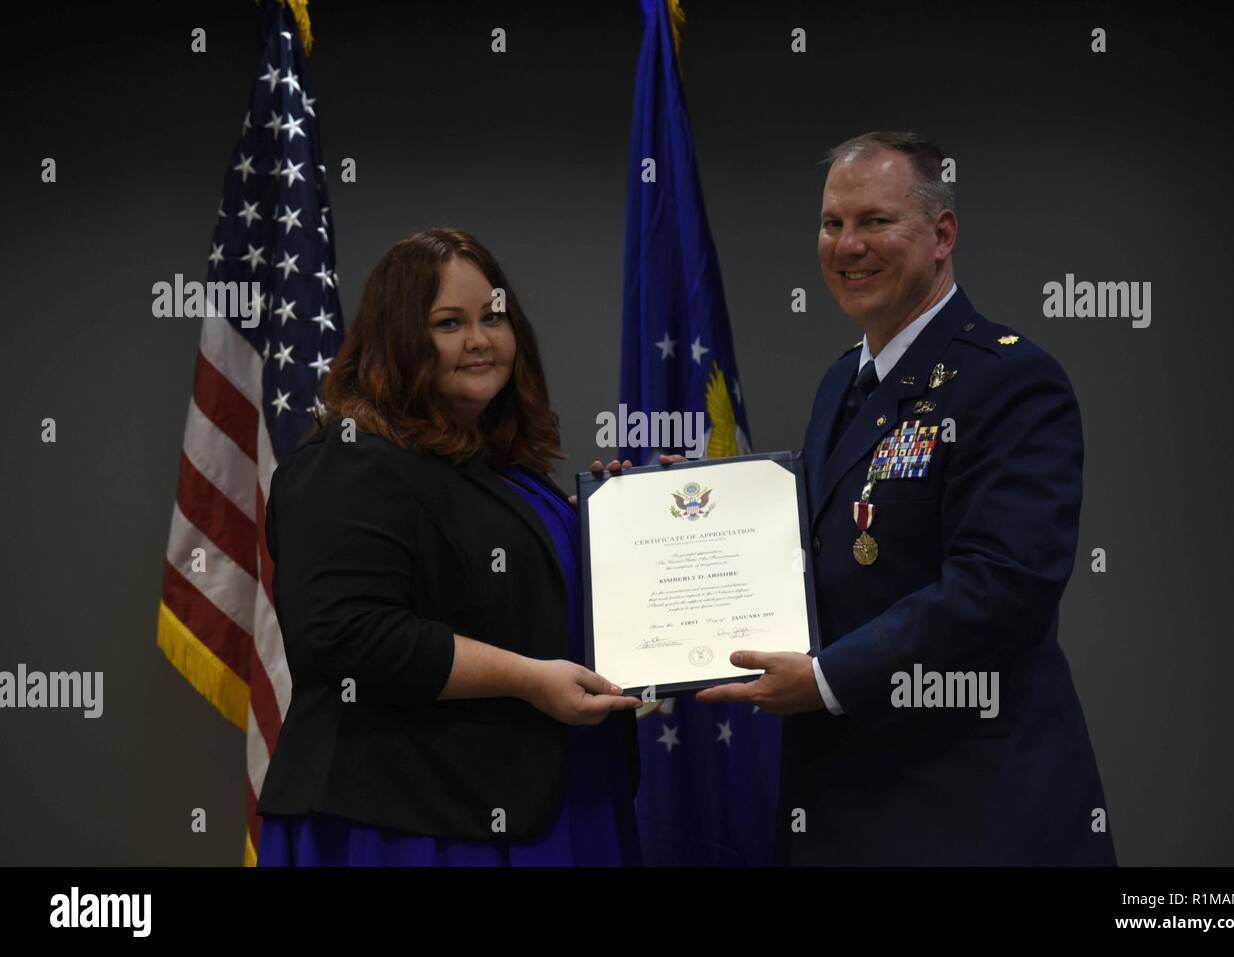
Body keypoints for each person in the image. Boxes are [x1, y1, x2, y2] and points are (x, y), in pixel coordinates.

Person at [695, 131, 1117, 865]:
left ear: (941, 234)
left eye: (875, 221)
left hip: (968, 804)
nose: (847, 245)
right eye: (832, 224)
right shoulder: (841, 382)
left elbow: (1002, 587)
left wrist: (827, 678)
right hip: (843, 797)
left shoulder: (1009, 380)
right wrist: (685, 500)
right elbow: (819, 550)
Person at [256, 227, 642, 865]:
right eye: (447, 323)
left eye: (493, 316)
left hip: (549, 801)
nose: (479, 340)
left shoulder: (504, 472)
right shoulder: (350, 463)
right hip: (413, 827)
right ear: (397, 341)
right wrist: (528, 680)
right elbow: (350, 638)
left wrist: (633, 517)